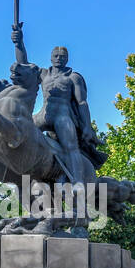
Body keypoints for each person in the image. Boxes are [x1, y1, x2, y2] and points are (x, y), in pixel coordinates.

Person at [12, 24, 106, 169]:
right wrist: (19, 43)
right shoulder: (43, 74)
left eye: (62, 57)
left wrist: (87, 126)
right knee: (21, 131)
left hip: (62, 116)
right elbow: (23, 65)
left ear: (67, 59)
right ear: (50, 58)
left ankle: (78, 180)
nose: (59, 59)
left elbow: (82, 103)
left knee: (71, 148)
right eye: (56, 56)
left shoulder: (74, 77)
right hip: (44, 114)